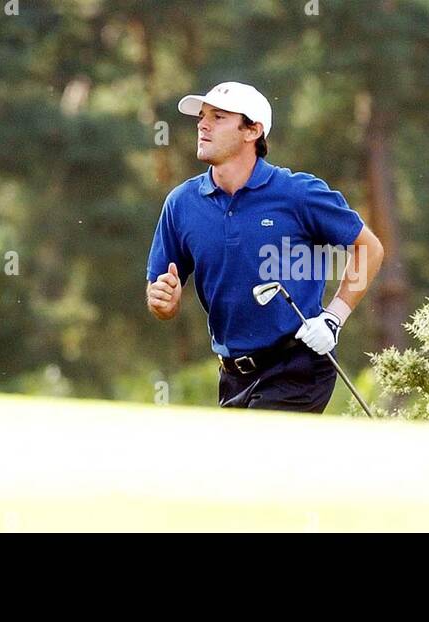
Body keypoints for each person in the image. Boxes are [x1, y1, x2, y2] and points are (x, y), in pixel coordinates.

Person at [146, 81, 384, 413]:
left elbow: (368, 248)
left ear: (252, 131)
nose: (202, 124)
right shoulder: (181, 204)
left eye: (218, 117)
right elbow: (160, 295)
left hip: (298, 366)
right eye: (202, 116)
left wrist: (334, 318)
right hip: (232, 375)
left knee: (257, 456)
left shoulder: (298, 193)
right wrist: (162, 301)